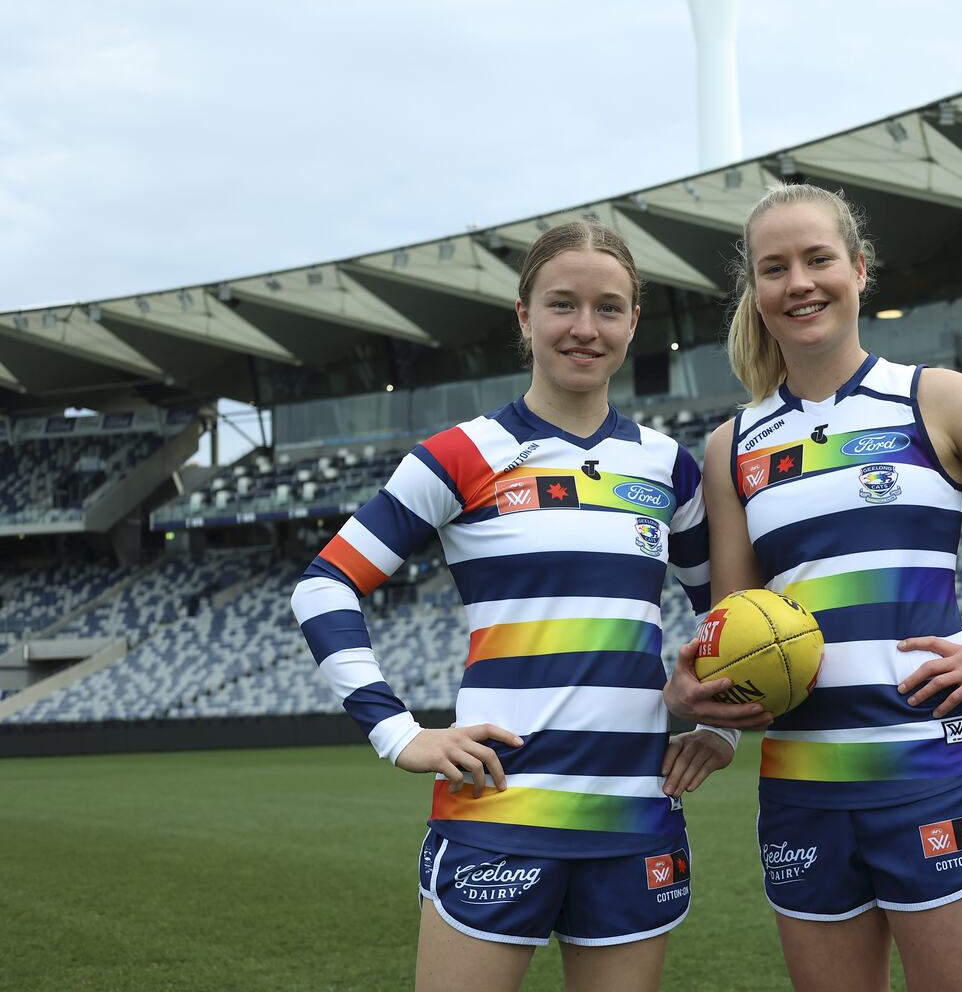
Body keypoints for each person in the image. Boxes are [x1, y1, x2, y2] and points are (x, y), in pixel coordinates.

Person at [665, 184, 962, 991]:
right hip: (804, 785)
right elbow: (733, 623)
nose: (799, 282)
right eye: (775, 268)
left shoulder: (932, 397)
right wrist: (704, 703)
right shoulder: (731, 445)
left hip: (931, 770)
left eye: (817, 259)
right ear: (756, 293)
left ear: (859, 269)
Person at [291, 221, 764, 992]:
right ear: (523, 315)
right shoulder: (458, 455)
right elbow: (324, 585)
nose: (585, 328)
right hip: (497, 810)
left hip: (632, 817)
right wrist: (396, 732)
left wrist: (718, 726)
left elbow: (735, 620)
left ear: (633, 322)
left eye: (609, 308)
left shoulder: (668, 468)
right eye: (562, 305)